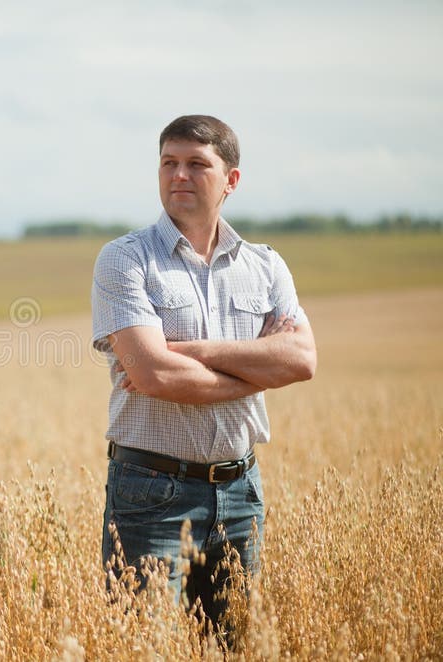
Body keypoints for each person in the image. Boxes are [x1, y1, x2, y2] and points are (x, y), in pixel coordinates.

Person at [91, 115, 317, 633]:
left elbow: (302, 359)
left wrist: (197, 351)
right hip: (151, 492)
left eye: (197, 164)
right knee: (146, 644)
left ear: (231, 180)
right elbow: (154, 375)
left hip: (242, 492)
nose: (179, 176)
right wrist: (260, 369)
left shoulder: (265, 266)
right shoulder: (126, 261)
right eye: (169, 163)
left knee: (232, 645)